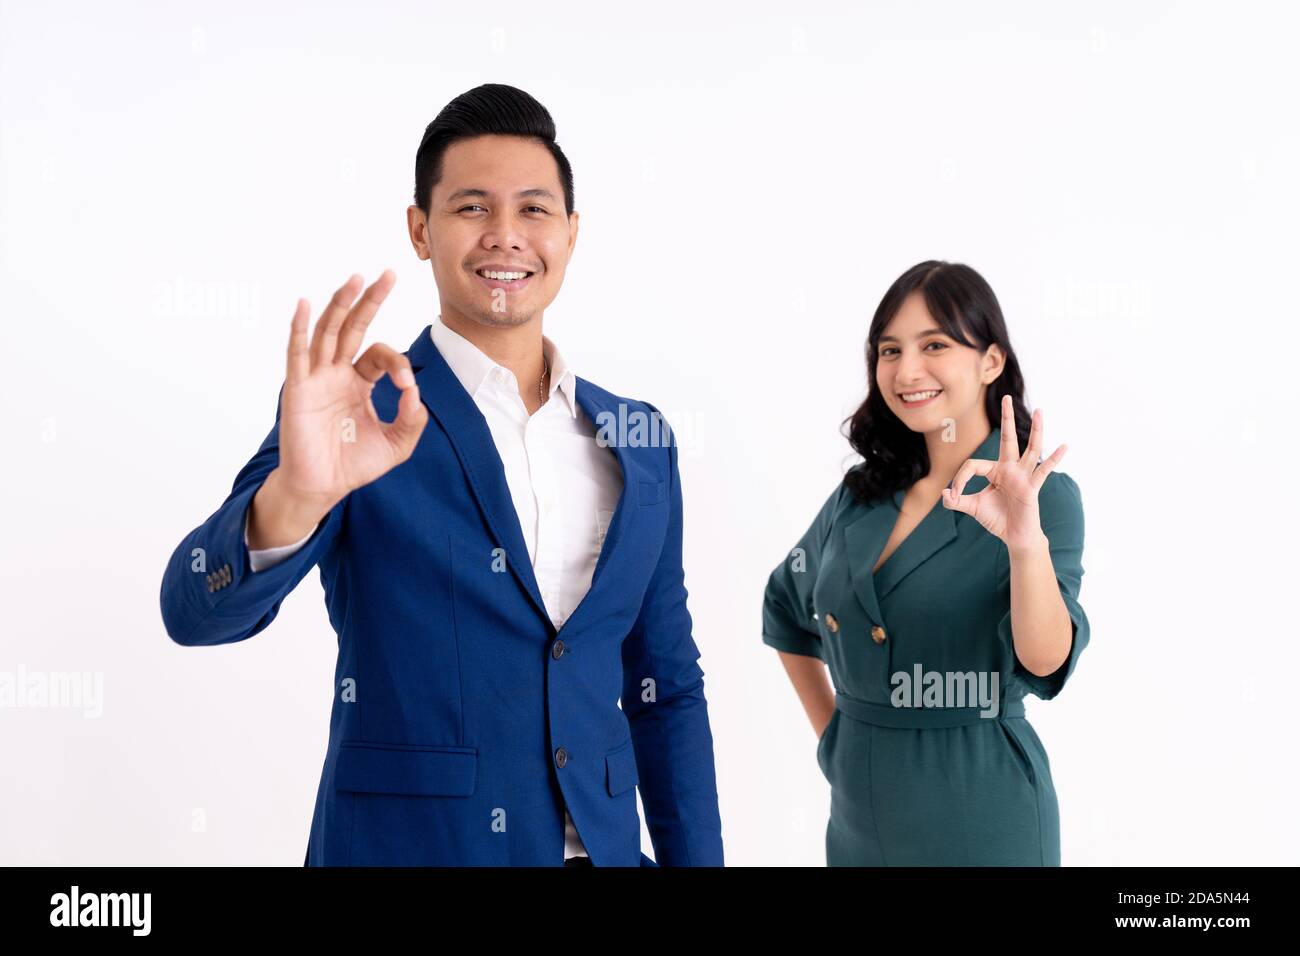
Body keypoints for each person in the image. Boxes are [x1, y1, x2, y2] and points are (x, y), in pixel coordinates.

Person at [160, 84, 724, 867]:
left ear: (571, 231)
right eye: (471, 209)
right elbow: (192, 611)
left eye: (533, 209)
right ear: (420, 231)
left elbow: (667, 687)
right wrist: (297, 494)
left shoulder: (638, 437)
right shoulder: (359, 409)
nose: (505, 236)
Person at [762, 260, 1089, 865]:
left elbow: (1046, 663)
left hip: (978, 811)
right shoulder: (861, 494)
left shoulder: (1042, 497)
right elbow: (784, 603)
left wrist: (1023, 541)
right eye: (889, 350)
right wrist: (835, 738)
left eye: (934, 344)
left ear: (991, 362)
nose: (906, 370)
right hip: (858, 821)